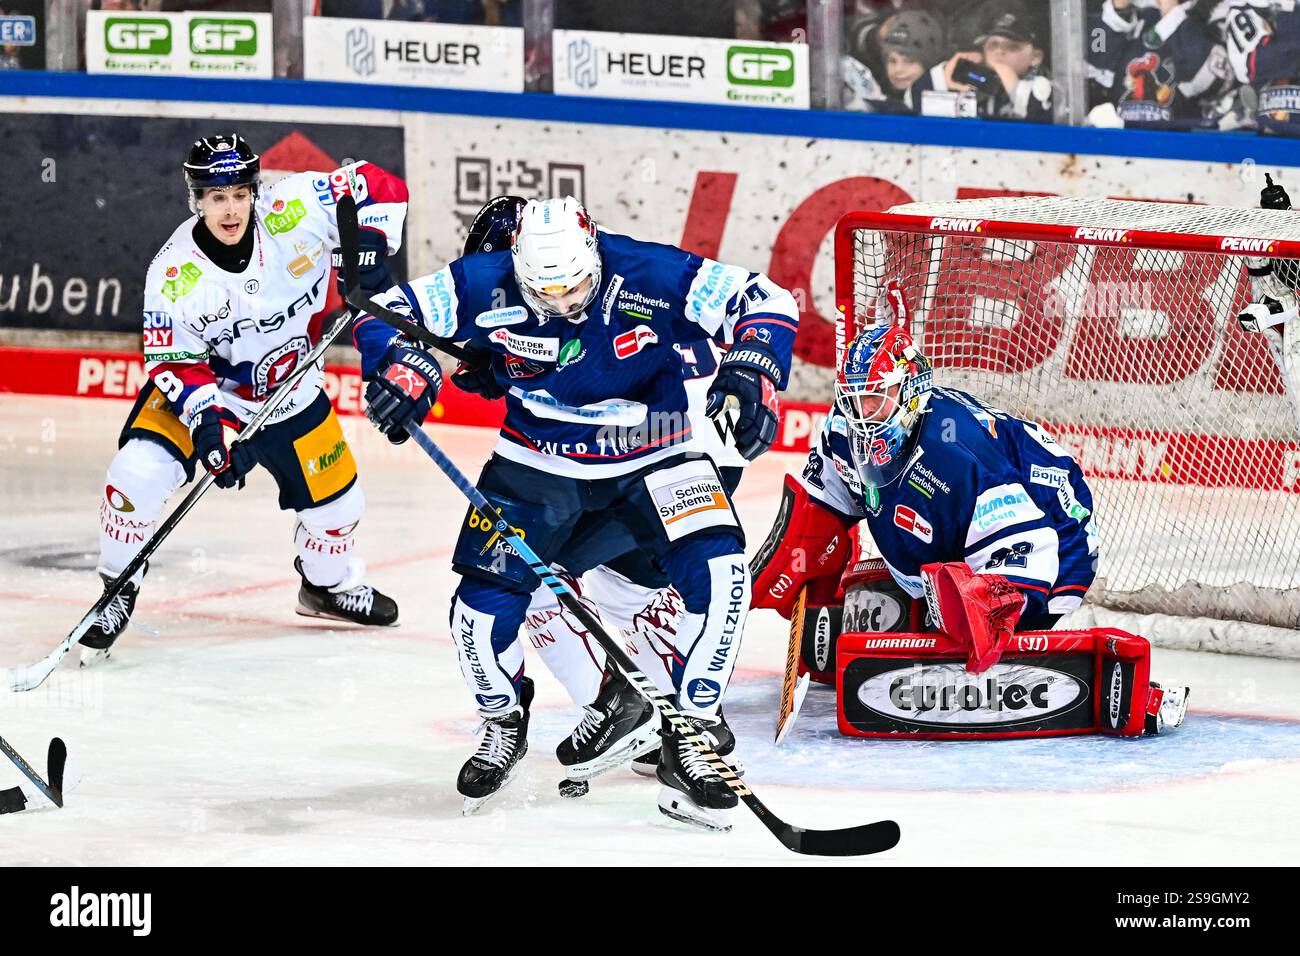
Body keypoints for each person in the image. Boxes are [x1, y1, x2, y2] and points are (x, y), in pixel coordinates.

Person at [357, 196, 799, 829]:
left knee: (725, 576)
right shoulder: (485, 281)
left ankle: (694, 728)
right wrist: (403, 363)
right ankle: (504, 719)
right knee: (479, 616)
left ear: (595, 254)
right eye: (546, 294)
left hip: (659, 452)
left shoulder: (643, 270)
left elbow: (766, 298)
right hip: (536, 466)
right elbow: (383, 312)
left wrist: (753, 366)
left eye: (577, 288)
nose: (564, 305)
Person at [750, 297, 1189, 732]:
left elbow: (1031, 546)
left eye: (876, 400)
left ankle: (1092, 680)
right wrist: (787, 569)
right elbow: (817, 514)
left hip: (1055, 532)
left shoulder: (956, 456)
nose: (862, 416)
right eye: (854, 400)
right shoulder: (843, 429)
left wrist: (989, 605)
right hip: (957, 538)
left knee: (978, 619)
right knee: (889, 577)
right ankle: (935, 603)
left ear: (909, 393)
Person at [450, 197, 755, 790]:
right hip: (673, 460)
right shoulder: (598, 293)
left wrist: (523, 370)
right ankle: (682, 715)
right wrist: (507, 365)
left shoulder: (614, 302)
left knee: (541, 582)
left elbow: (593, 381)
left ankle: (630, 704)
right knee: (621, 589)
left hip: (672, 463)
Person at [83, 133, 410, 665]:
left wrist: (366, 249)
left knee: (341, 511)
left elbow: (380, 186)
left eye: (239, 193)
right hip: (214, 396)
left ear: (255, 190)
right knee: (134, 474)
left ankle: (324, 589)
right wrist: (209, 424)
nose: (230, 208)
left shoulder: (295, 209)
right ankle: (117, 587)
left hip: (293, 393)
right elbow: (172, 361)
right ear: (197, 200)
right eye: (216, 197)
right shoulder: (174, 273)